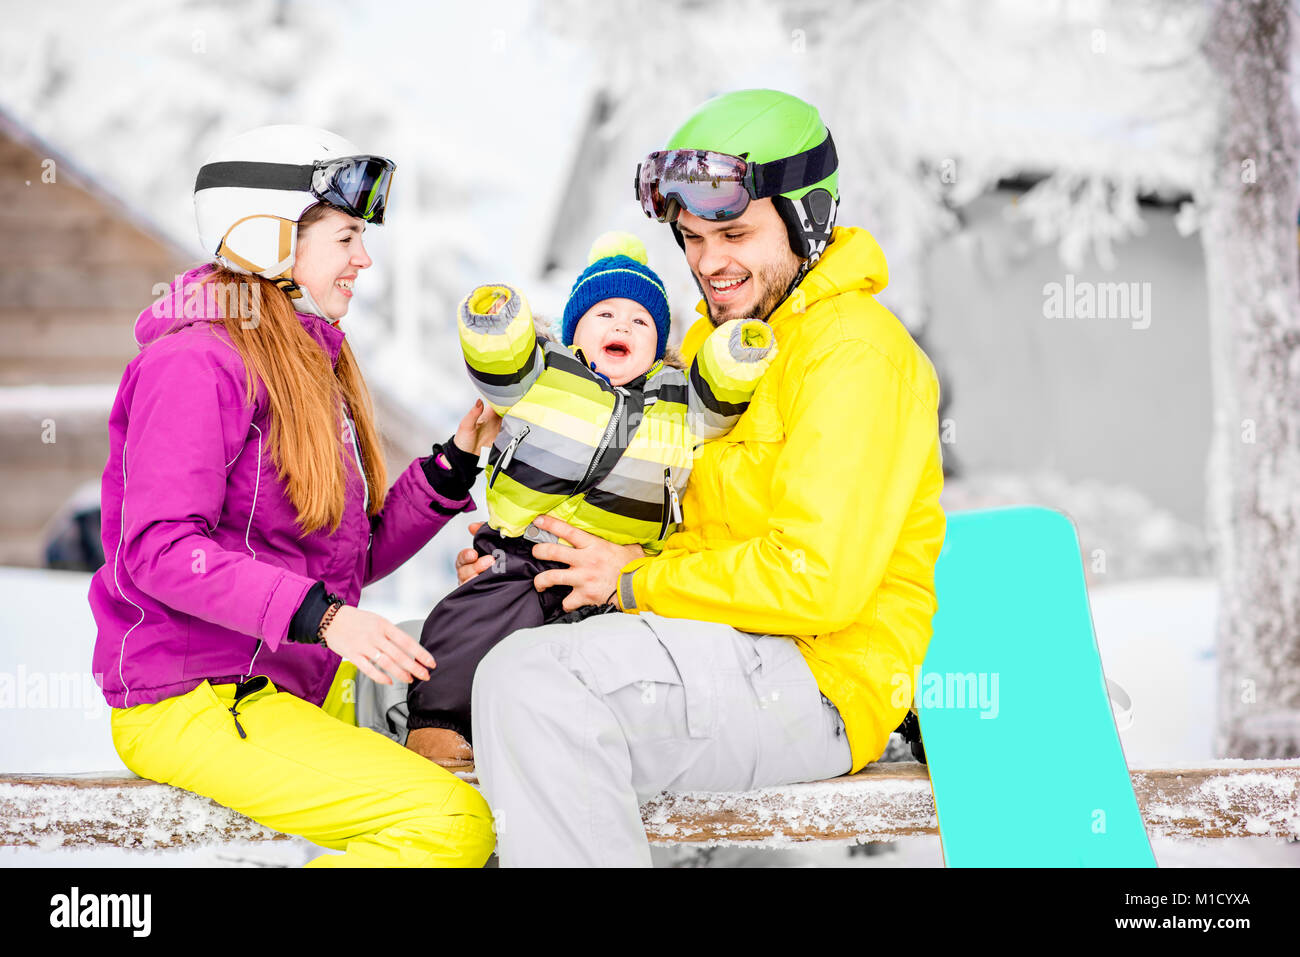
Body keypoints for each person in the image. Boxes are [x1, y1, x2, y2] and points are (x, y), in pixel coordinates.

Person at [461, 90, 947, 866]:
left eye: (735, 232)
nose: (708, 262)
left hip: (818, 678)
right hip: (713, 647)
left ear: (806, 219)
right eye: (691, 237)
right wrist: (521, 555)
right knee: (463, 663)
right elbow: (651, 501)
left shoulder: (856, 353)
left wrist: (635, 583)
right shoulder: (717, 345)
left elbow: (817, 581)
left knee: (535, 686)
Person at [88, 125, 498, 867]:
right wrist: (325, 618)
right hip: (193, 697)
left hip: (282, 679)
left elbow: (339, 557)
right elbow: (158, 549)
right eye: (345, 237)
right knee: (448, 822)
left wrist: (453, 466)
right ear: (270, 239)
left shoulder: (299, 365)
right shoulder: (195, 363)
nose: (363, 258)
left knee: (477, 666)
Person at [405, 232, 777, 766]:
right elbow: (500, 363)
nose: (622, 325)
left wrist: (740, 352)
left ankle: (571, 750)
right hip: (524, 553)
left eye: (641, 320)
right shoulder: (546, 375)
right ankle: (441, 728)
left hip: (624, 571)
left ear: (660, 345)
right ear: (575, 330)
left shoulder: (677, 400)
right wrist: (495, 320)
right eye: (604, 314)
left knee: (612, 661)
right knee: (468, 624)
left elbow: (719, 396)